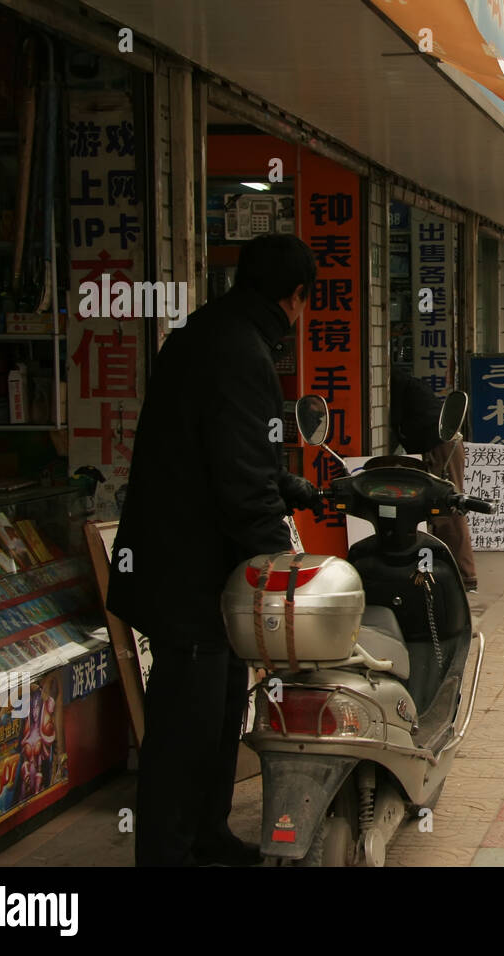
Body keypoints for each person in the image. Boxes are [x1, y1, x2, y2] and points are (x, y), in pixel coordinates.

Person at [108, 234, 321, 867]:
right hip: (187, 571)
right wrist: (288, 575)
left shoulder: (211, 334)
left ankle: (208, 832)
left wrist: (286, 486)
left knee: (223, 702)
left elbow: (221, 453)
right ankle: (167, 852)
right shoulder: (240, 352)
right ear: (296, 297)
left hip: (193, 560)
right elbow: (237, 483)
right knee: (185, 726)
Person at [390, 366, 477, 592]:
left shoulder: (397, 386)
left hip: (440, 448)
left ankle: (464, 575)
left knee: (448, 509)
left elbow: (395, 426)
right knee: (446, 509)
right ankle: (452, 570)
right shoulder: (407, 384)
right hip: (444, 445)